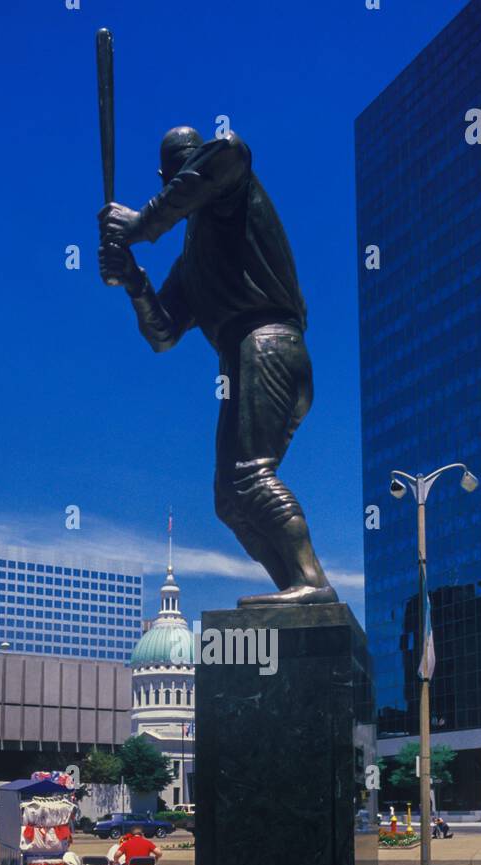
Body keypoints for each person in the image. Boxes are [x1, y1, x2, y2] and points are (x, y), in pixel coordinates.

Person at [97, 127, 336, 607]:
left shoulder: (231, 177)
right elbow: (162, 334)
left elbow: (227, 155)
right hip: (244, 358)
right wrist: (133, 279)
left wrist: (140, 224)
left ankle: (311, 581)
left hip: (267, 341)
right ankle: (298, 589)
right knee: (231, 499)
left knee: (249, 475)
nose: (191, 175)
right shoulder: (192, 263)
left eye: (192, 166)